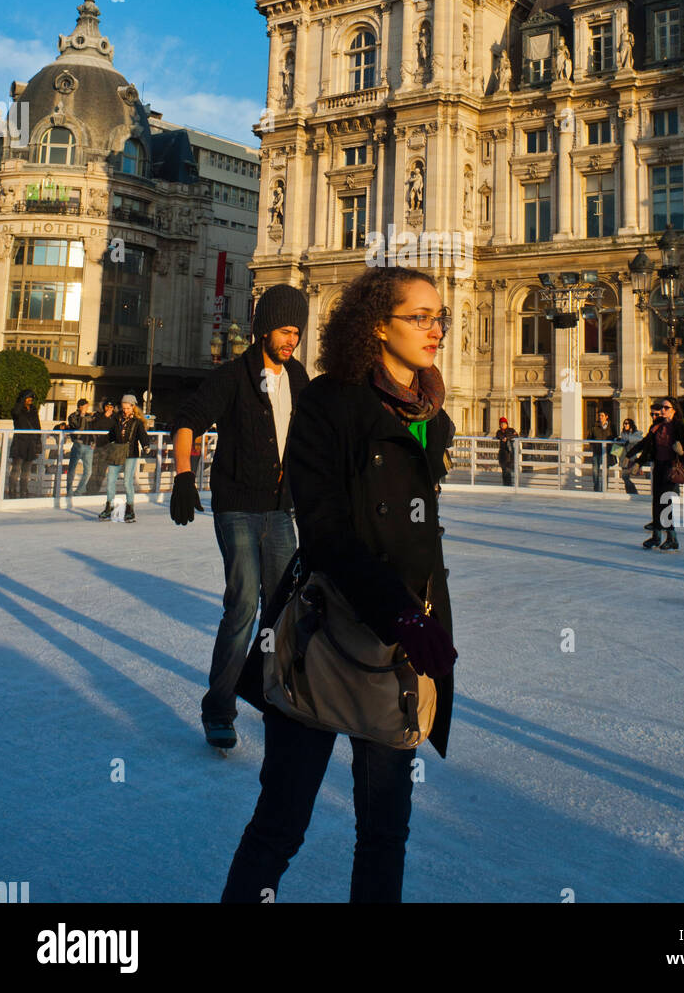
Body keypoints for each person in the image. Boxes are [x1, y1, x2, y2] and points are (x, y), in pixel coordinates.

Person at [221, 265, 457, 904]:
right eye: (420, 317)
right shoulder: (327, 403)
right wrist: (397, 612)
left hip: (402, 649)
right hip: (324, 636)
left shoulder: (433, 419)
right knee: (282, 822)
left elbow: (418, 543)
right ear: (377, 325)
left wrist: (422, 618)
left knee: (386, 830)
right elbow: (324, 530)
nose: (436, 329)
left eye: (441, 317)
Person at [170, 284, 310, 750]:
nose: (292, 339)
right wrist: (185, 476)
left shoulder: (299, 379)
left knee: (285, 607)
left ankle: (279, 693)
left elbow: (316, 438)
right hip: (236, 509)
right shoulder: (233, 376)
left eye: (298, 331)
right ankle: (219, 708)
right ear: (263, 328)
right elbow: (189, 418)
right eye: (286, 330)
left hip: (279, 511)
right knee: (245, 603)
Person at [631, 397, 684, 551]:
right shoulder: (656, 425)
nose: (662, 411)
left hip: (671, 467)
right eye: (662, 408)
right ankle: (656, 537)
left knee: (665, 502)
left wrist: (682, 452)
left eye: (666, 408)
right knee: (656, 501)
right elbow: (648, 446)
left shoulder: (680, 427)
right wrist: (638, 462)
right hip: (658, 466)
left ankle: (672, 538)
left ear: (674, 410)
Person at [98, 394, 149, 523]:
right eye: (124, 408)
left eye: (128, 408)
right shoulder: (117, 419)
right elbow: (111, 435)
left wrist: (146, 445)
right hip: (117, 451)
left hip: (131, 453)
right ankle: (108, 507)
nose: (125, 410)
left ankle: (130, 509)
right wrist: (100, 443)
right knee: (110, 480)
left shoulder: (137, 422)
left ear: (133, 407)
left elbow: (142, 435)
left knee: (127, 481)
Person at [7, 389, 42, 498]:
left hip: (31, 443)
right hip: (19, 442)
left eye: (31, 398)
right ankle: (12, 491)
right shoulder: (17, 409)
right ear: (23, 398)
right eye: (28, 397)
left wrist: (38, 443)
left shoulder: (33, 410)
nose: (30, 400)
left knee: (26, 470)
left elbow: (37, 427)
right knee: (16, 468)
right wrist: (21, 402)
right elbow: (15, 413)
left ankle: (23, 491)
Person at [85, 398, 116, 495]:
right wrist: (105, 417)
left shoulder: (115, 417)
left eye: (111, 407)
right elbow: (95, 427)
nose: (109, 409)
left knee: (102, 470)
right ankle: (90, 489)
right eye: (107, 407)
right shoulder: (98, 415)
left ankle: (95, 490)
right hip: (98, 446)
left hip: (109, 447)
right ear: (104, 407)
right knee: (94, 469)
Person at [66, 398, 96, 495]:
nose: (87, 408)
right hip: (78, 445)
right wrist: (82, 415)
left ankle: (79, 491)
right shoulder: (72, 416)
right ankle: (69, 490)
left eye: (88, 406)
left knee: (88, 471)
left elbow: (93, 429)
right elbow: (80, 428)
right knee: (72, 468)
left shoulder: (90, 417)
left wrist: (94, 442)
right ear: (80, 407)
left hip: (88, 446)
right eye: (85, 406)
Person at [589, 409, 615, 492]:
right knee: (595, 471)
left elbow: (615, 437)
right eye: (599, 415)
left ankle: (604, 489)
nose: (600, 417)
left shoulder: (611, 426)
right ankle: (596, 489)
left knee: (605, 471)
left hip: (606, 452)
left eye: (602, 415)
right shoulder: (594, 426)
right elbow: (589, 437)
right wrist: (593, 446)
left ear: (606, 417)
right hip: (596, 451)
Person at [617, 417, 642, 495]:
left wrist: (628, 439)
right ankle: (631, 492)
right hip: (623, 458)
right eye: (624, 423)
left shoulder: (636, 434)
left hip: (631, 458)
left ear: (631, 424)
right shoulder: (623, 434)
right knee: (625, 477)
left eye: (627, 423)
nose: (625, 425)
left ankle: (633, 492)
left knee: (626, 476)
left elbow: (640, 439)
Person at [494, 416, 518, 486]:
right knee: (504, 470)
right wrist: (505, 437)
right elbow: (498, 436)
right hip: (502, 453)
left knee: (508, 469)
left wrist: (507, 437)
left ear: (507, 424)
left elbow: (516, 435)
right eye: (501, 424)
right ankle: (505, 484)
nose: (502, 425)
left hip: (509, 453)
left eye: (504, 423)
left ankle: (509, 484)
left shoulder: (511, 430)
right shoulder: (499, 431)